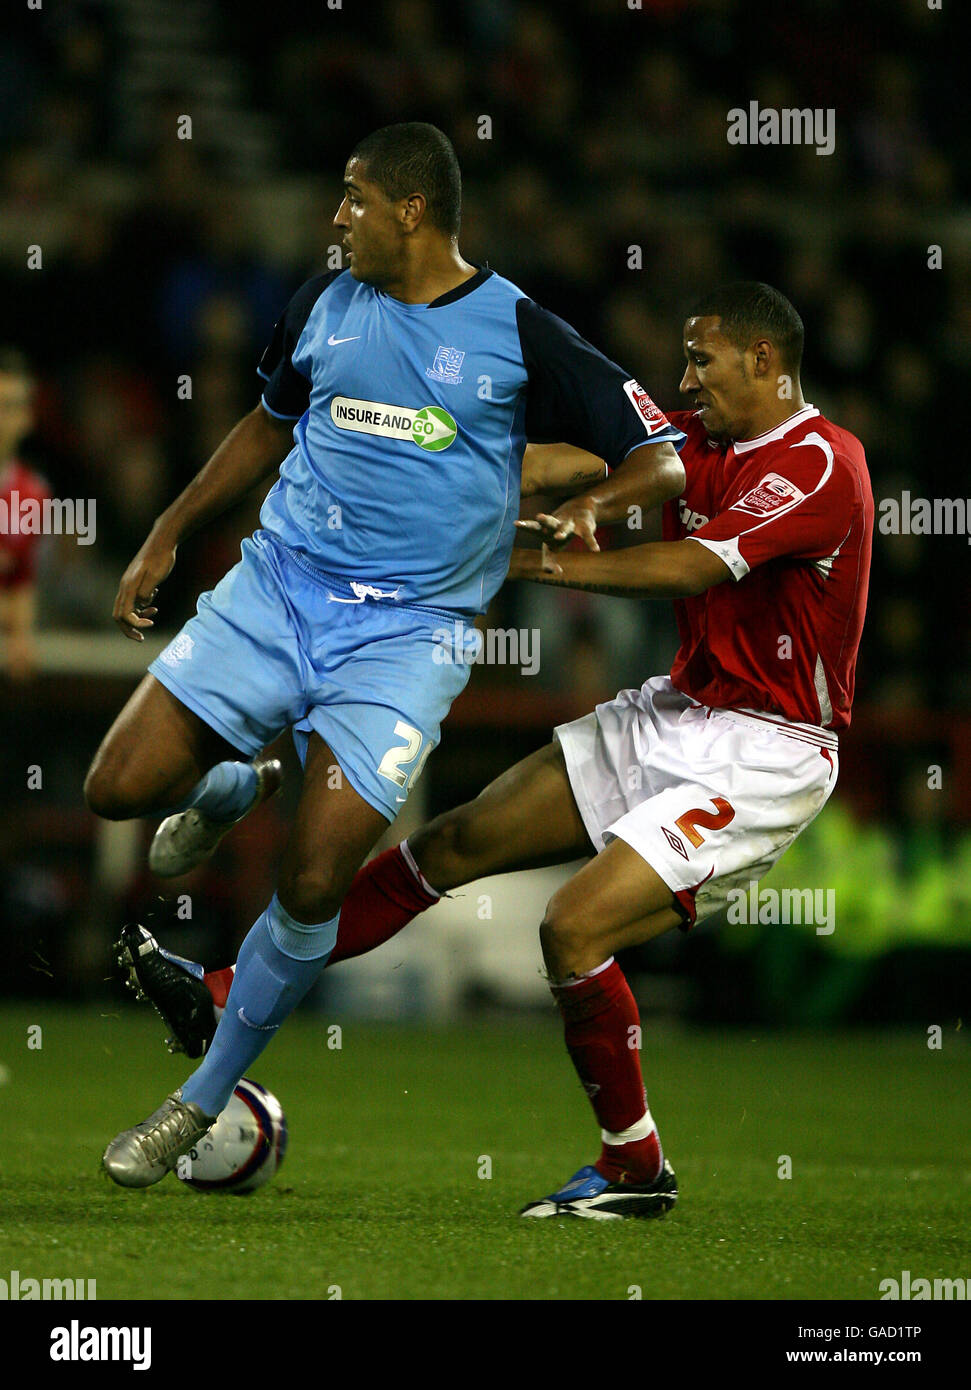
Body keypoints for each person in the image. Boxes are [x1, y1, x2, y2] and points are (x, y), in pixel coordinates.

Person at [125, 281, 873, 1219]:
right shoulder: (703, 440)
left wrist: (540, 558)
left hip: (766, 751)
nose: (686, 378)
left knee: (571, 927)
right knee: (449, 846)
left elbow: (690, 563)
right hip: (675, 711)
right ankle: (224, 989)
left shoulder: (821, 463)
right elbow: (589, 462)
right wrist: (458, 471)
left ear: (765, 361)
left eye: (702, 361)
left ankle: (635, 1168)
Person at [91, 121, 685, 1188]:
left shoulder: (518, 329)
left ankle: (196, 1099)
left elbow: (656, 454)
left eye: (354, 199)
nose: (336, 217)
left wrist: (586, 503)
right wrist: (169, 531)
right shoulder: (323, 302)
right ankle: (236, 778)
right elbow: (267, 424)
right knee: (113, 788)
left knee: (316, 876)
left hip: (405, 637)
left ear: (410, 211)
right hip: (276, 591)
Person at [0, 349, 50, 681]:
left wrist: (21, 634)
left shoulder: (32, 495)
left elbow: (21, 580)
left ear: (27, 418)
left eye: (8, 406)